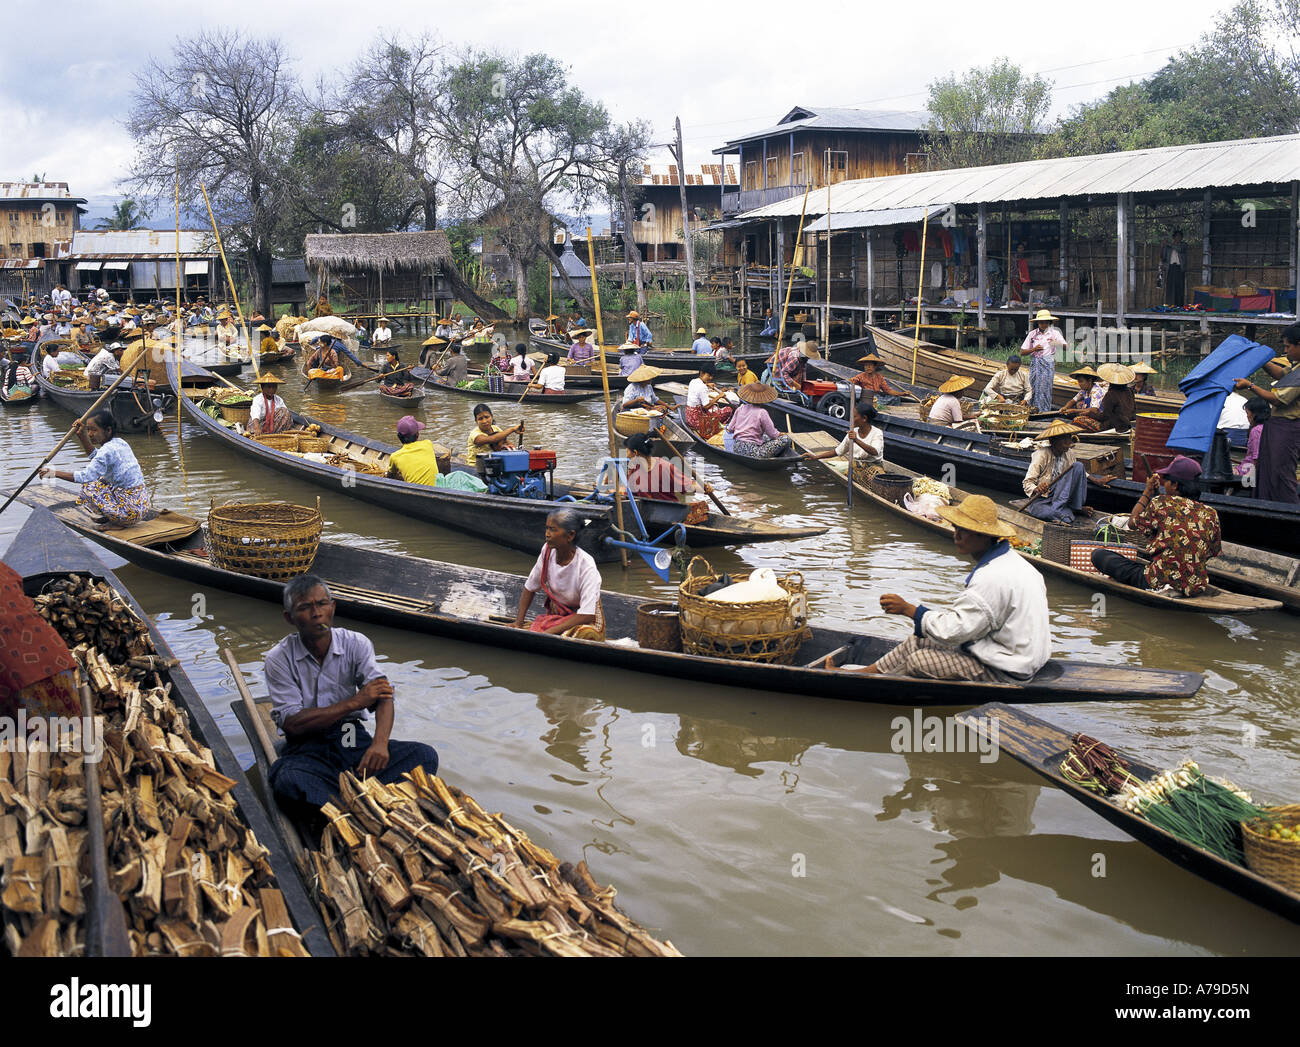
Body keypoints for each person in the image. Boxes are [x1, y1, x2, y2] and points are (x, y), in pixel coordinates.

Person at [265, 575, 439, 813]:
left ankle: (337, 800)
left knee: (424, 756)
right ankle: (354, 804)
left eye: (322, 604)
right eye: (305, 608)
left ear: (332, 607)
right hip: (308, 747)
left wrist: (380, 744)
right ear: (289, 618)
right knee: (288, 780)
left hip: (351, 738)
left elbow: (383, 695)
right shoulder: (279, 658)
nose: (317, 613)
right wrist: (355, 702)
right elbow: (293, 724)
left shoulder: (356, 643)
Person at [829, 494, 1049, 681]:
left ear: (985, 536)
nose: (957, 536)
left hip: (1008, 670)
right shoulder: (1016, 564)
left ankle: (869, 682)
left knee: (918, 660)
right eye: (956, 528)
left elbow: (953, 631)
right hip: (1019, 654)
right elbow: (968, 624)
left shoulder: (991, 577)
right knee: (918, 640)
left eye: (964, 531)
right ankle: (865, 674)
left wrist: (909, 610)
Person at [1091, 456, 1220, 595]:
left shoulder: (1160, 503)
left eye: (1167, 481)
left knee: (1098, 555)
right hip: (1195, 586)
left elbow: (1132, 523)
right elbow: (1211, 552)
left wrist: (1147, 492)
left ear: (1175, 485)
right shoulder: (1211, 513)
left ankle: (1164, 588)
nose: (1165, 485)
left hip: (1158, 581)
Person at [39, 410, 150, 529]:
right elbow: (96, 457)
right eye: (88, 429)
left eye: (94, 430)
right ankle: (112, 516)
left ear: (108, 430)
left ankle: (119, 522)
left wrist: (53, 473)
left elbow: (84, 477)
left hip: (130, 513)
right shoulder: (120, 443)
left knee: (89, 486)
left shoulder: (107, 450)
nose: (90, 434)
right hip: (142, 506)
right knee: (101, 480)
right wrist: (81, 436)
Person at [1233, 322, 1300, 502]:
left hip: (1287, 428)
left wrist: (1250, 385)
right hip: (1277, 426)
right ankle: (1266, 504)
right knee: (1267, 470)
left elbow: (1278, 398)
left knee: (1281, 472)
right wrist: (1260, 359)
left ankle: (1290, 510)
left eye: (1288, 347)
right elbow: (1281, 373)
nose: (1285, 351)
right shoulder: (1296, 368)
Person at [512, 509, 603, 639]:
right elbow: (530, 587)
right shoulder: (547, 551)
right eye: (547, 528)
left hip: (585, 620)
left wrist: (549, 632)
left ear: (570, 535)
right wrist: (518, 623)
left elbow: (587, 614)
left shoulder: (586, 565)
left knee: (583, 634)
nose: (547, 534)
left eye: (553, 530)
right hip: (560, 614)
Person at [1017, 419, 1112, 523]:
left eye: (1069, 437)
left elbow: (1079, 472)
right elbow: (1027, 482)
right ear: (1053, 441)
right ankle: (1068, 510)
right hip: (1043, 500)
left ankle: (1076, 507)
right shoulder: (1041, 455)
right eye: (1064, 438)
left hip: (1061, 497)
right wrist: (1037, 489)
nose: (1069, 442)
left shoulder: (1069, 453)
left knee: (1078, 466)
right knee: (1057, 515)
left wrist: (1097, 481)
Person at [625, 432, 710, 503]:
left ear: (635, 452)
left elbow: (688, 485)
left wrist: (704, 489)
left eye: (627, 450)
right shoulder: (634, 470)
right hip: (646, 513)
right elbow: (629, 495)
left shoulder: (664, 467)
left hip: (668, 514)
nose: (626, 454)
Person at [803, 403, 883, 466]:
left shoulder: (877, 433)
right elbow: (838, 451)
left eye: (854, 416)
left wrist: (856, 440)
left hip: (873, 466)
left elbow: (875, 452)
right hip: (856, 466)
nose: (851, 419)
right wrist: (815, 457)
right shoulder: (853, 432)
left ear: (864, 418)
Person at [725, 382, 792, 457]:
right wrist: (781, 434)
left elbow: (730, 429)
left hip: (737, 448)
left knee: (765, 436)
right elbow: (773, 434)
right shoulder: (762, 412)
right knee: (786, 439)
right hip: (753, 452)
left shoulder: (740, 408)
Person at [1021, 309, 1067, 411]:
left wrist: (1055, 343)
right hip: (1035, 363)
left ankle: (1044, 411)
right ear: (1038, 323)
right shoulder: (1032, 334)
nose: (1043, 324)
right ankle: (1031, 409)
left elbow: (1066, 347)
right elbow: (1022, 352)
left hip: (1048, 362)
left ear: (1049, 323)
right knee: (1032, 386)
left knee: (1045, 387)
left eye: (1046, 322)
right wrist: (1033, 349)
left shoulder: (1054, 333)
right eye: (1041, 322)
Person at [467, 404, 524, 477]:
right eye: (480, 419)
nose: (484, 421)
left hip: (492, 464)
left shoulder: (496, 429)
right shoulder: (475, 434)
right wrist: (512, 429)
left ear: (492, 417)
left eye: (487, 417)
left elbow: (506, 442)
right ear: (476, 421)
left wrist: (516, 451)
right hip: (475, 468)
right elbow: (492, 439)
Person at [387, 416, 440, 485]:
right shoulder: (428, 444)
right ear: (417, 435)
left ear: (399, 437)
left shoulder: (395, 456)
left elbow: (390, 476)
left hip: (416, 491)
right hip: (437, 489)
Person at [684, 363, 733, 439]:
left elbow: (699, 388)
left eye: (712, 376)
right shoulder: (702, 387)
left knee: (714, 407)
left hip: (689, 417)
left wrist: (707, 384)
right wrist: (718, 396)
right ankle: (718, 428)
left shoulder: (693, 381)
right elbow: (706, 406)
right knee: (728, 410)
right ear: (701, 373)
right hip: (697, 421)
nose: (710, 378)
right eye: (709, 375)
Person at [1092, 364, 1138, 432]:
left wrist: (1091, 414)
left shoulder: (1111, 394)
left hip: (1114, 427)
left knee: (1079, 420)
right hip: (1127, 425)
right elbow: (1133, 410)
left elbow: (1105, 416)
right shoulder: (1130, 391)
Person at [1236, 397, 1269, 485]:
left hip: (1248, 470)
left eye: (1247, 413)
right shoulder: (1269, 427)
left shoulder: (1256, 431)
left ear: (1254, 414)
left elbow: (1257, 459)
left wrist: (1247, 479)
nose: (1247, 416)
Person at [1060, 365, 1105, 429]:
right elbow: (1073, 401)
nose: (1079, 384)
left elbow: (1094, 410)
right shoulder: (1083, 391)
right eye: (1078, 381)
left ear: (1089, 381)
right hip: (1089, 416)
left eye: (1081, 381)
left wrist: (1074, 410)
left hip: (1099, 419)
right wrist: (1065, 407)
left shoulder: (1096, 391)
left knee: (1077, 420)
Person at [1161, 230, 1186, 308]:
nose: (1178, 238)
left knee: (1180, 287)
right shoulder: (1169, 247)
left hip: (1179, 268)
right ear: (1174, 237)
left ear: (1182, 238)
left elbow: (1180, 249)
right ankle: (1170, 305)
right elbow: (1164, 256)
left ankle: (1179, 305)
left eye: (1180, 237)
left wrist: (1168, 244)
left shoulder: (1183, 245)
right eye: (1177, 236)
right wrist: (1163, 246)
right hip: (1171, 268)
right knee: (1170, 287)